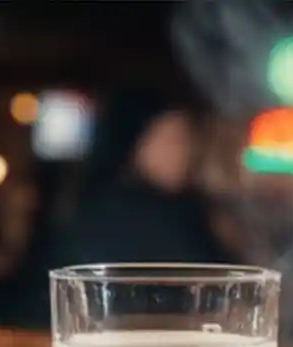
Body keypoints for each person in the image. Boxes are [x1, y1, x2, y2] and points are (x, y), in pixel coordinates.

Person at [59, 91, 224, 266]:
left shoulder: (183, 208)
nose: (184, 152)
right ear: (133, 142)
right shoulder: (119, 216)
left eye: (189, 140)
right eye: (173, 140)